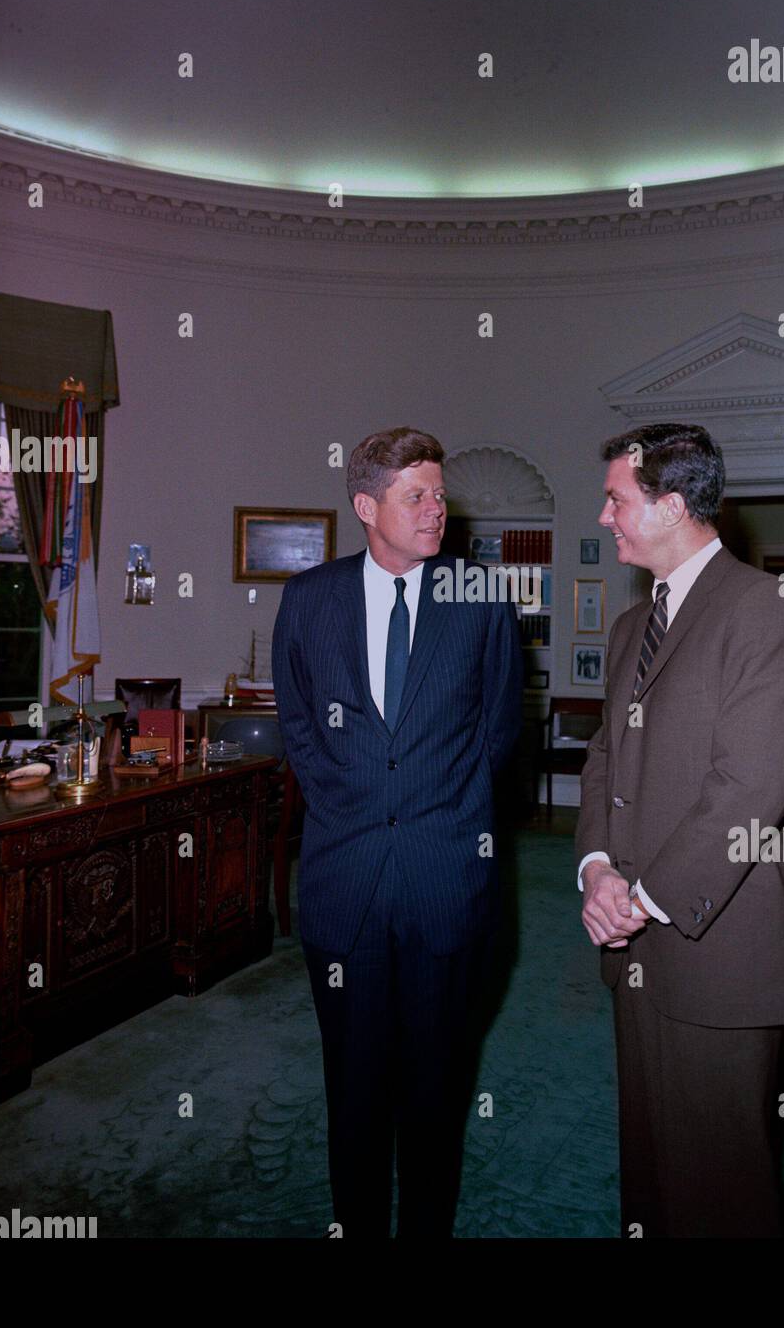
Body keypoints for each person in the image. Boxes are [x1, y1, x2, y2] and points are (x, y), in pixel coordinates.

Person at [271, 426, 522, 1237]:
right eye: (417, 495)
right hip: (344, 886)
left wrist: (444, 813)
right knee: (353, 1088)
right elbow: (300, 727)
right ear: (366, 507)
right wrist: (348, 802)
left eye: (441, 494)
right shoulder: (308, 601)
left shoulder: (481, 599)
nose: (436, 510)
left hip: (446, 883)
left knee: (436, 1090)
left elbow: (499, 731)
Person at [576, 422, 784, 1238]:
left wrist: (640, 897)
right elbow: (604, 764)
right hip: (632, 946)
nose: (604, 516)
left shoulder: (766, 610)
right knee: (650, 1179)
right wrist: (597, 874)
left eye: (617, 500)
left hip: (718, 953)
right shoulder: (626, 629)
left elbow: (748, 788)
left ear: (673, 505)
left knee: (723, 1191)